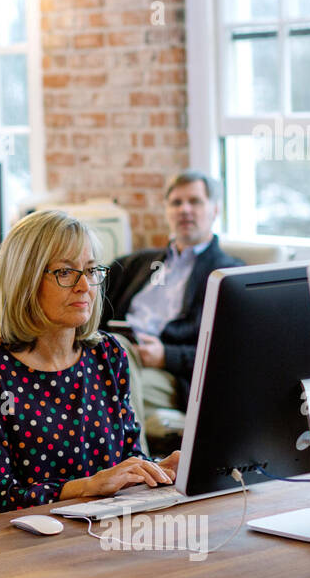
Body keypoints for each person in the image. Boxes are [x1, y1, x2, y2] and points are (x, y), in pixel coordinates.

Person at [0, 209, 179, 523]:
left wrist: (156, 469)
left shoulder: (108, 355)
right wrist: (86, 487)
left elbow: (128, 458)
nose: (85, 286)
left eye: (92, 271)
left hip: (87, 531)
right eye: (66, 272)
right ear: (25, 280)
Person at [101, 171, 242, 441]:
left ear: (215, 210)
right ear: (166, 210)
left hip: (168, 374)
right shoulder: (138, 264)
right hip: (116, 354)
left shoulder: (226, 275)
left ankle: (135, 464)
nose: (184, 210)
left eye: (195, 202)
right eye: (176, 203)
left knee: (112, 380)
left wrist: (166, 355)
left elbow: (229, 352)